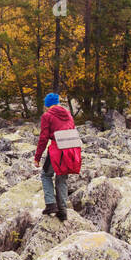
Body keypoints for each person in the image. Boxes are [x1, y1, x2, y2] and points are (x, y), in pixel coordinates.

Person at [34, 91, 80, 221]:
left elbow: (43, 138)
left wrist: (37, 157)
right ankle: (63, 211)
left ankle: (50, 204)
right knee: (61, 178)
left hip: (57, 150)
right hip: (71, 150)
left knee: (45, 175)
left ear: (48, 105)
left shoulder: (47, 116)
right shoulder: (69, 115)